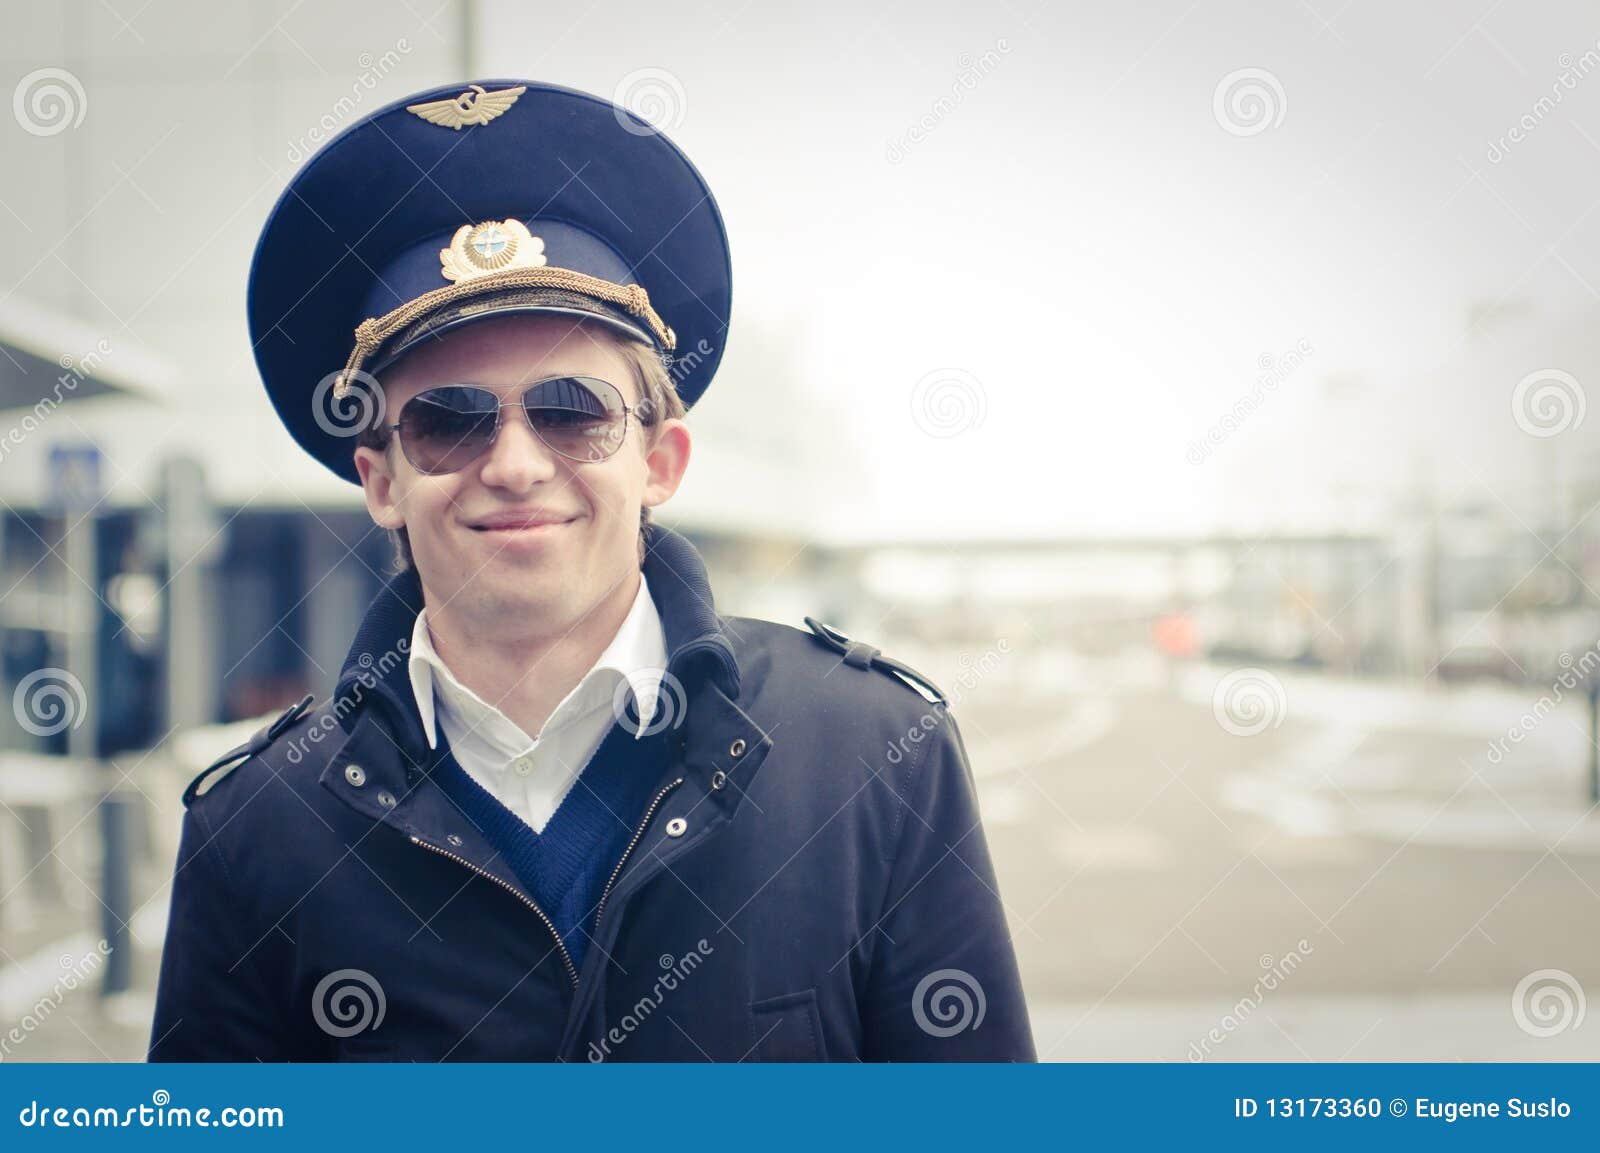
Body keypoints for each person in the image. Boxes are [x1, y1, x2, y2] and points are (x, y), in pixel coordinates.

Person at [148, 79, 1033, 1061]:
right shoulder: (258, 827)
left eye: (572, 409)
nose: (517, 463)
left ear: (658, 462)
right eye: (448, 419)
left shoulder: (876, 753)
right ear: (382, 479)